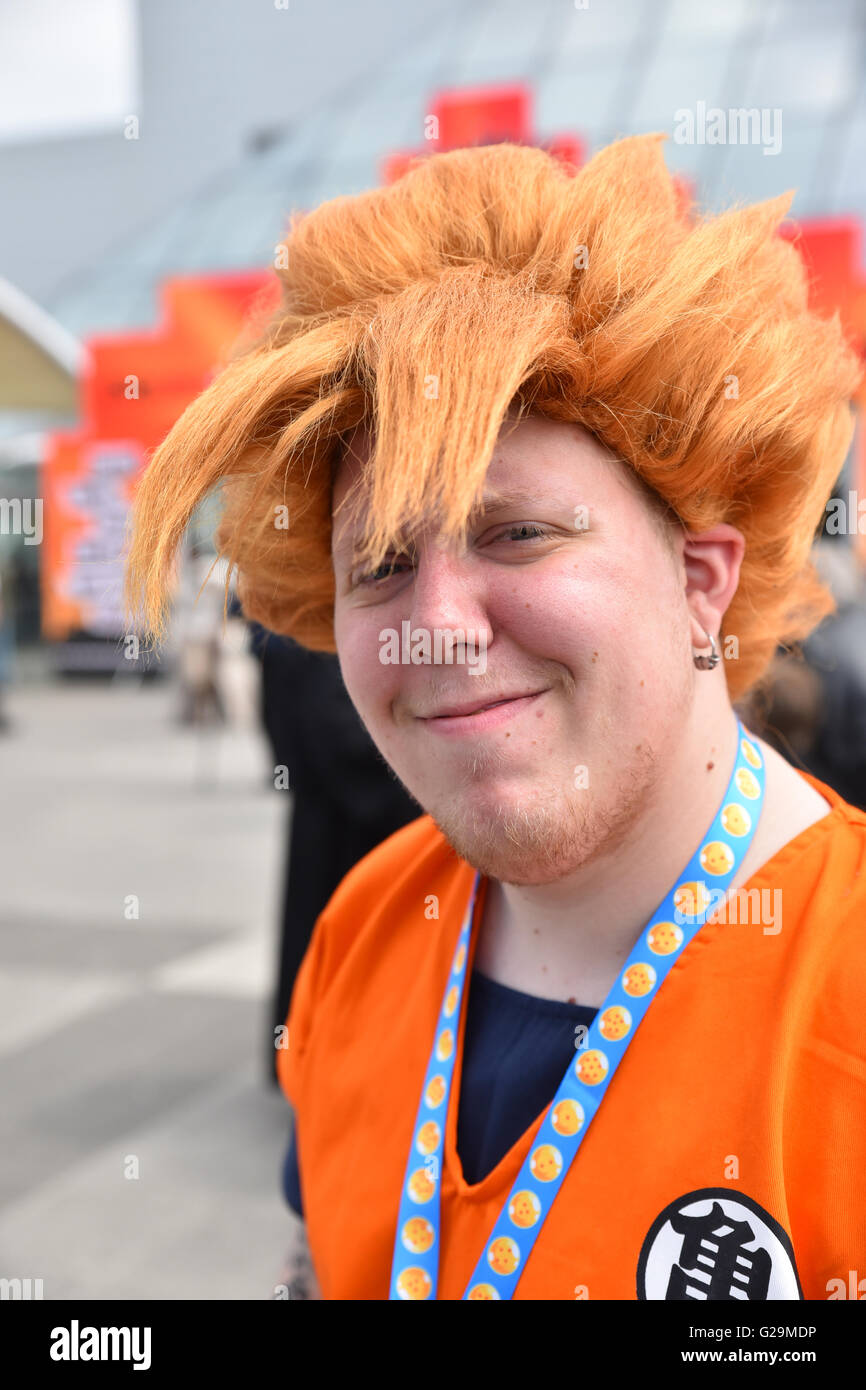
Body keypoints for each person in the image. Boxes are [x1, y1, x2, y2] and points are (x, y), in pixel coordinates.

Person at [122, 134, 866, 1301]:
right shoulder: (360, 930)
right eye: (375, 562)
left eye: (516, 531)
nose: (437, 628)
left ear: (701, 579)